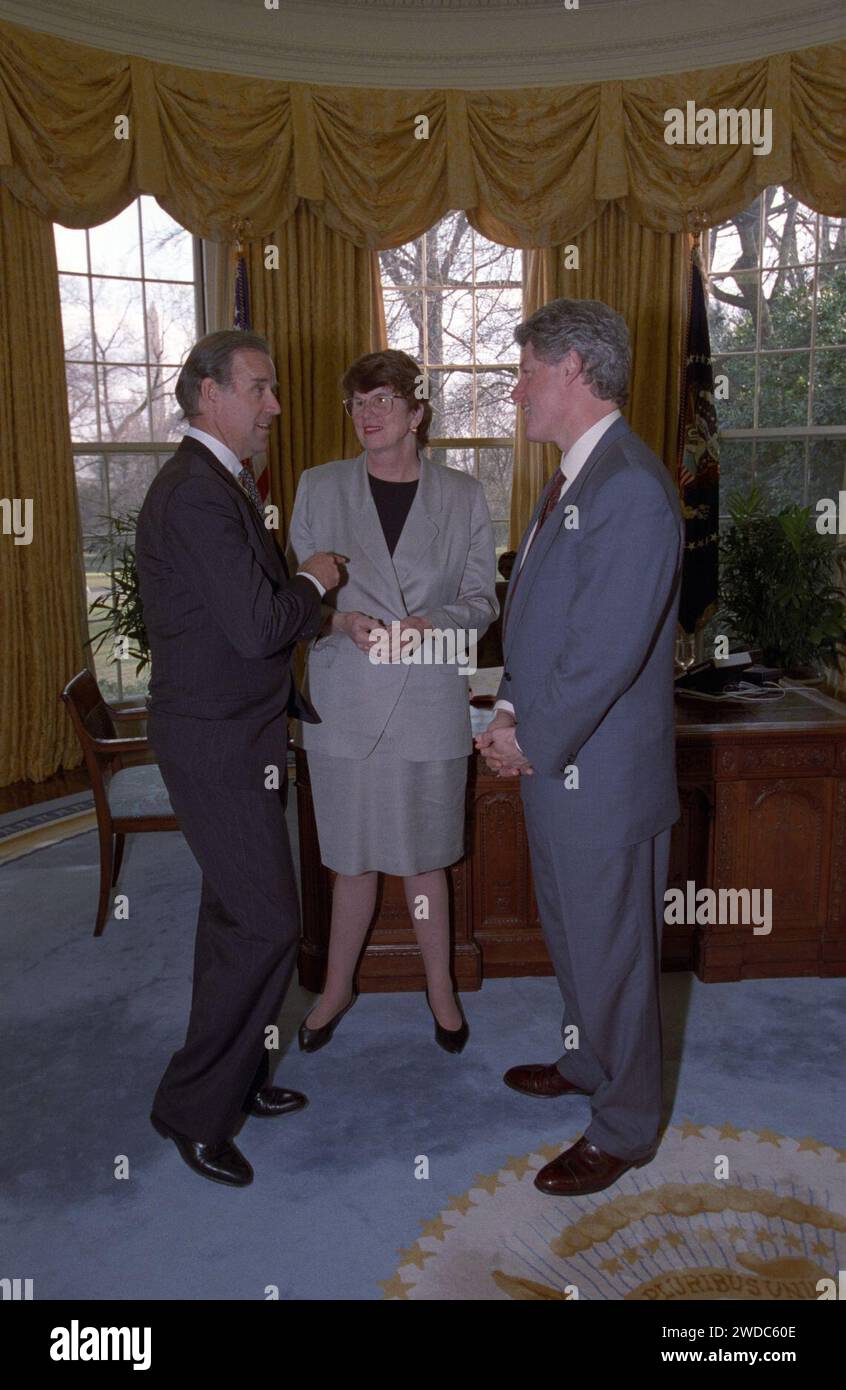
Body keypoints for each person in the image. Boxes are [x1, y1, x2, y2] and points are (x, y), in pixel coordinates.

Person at [476, 299, 684, 1197]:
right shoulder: (572, 480)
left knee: (616, 955)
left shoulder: (629, 486)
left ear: (571, 370)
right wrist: (510, 705)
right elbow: (541, 627)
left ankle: (627, 1124)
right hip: (560, 763)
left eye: (524, 370)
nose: (514, 388)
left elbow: (604, 652)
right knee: (575, 939)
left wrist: (527, 736)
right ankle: (590, 1065)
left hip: (600, 776)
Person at [135, 330, 343, 1188]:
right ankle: (192, 1108)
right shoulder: (195, 493)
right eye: (260, 388)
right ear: (208, 394)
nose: (275, 407)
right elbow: (260, 624)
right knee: (270, 923)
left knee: (235, 918)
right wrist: (319, 581)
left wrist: (328, 616)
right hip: (217, 745)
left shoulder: (216, 483)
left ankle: (243, 1074)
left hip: (237, 734)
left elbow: (250, 611)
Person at [287, 350, 499, 1054]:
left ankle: (439, 988)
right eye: (356, 403)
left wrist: (431, 623)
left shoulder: (464, 495)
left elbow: (481, 602)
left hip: (427, 698)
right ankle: (336, 988)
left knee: (424, 857)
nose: (366, 414)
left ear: (416, 413)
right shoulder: (317, 488)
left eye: (381, 400)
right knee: (348, 859)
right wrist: (342, 620)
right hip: (345, 696)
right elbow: (294, 602)